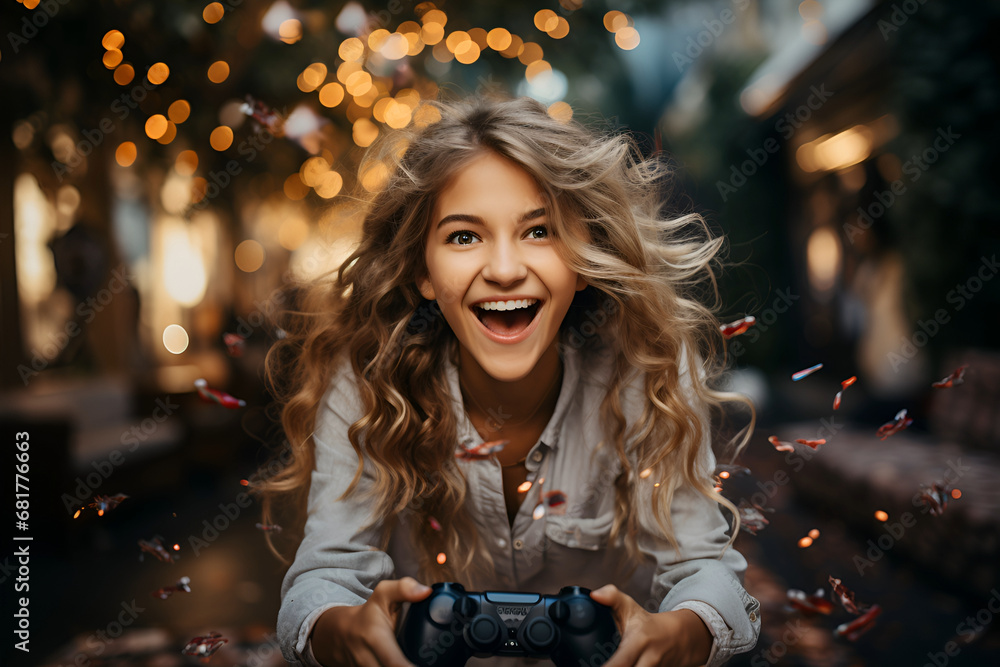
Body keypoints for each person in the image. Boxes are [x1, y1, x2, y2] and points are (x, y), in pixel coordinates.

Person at [263, 96, 760, 667]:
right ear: (423, 271)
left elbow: (707, 573)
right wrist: (339, 630)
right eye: (464, 237)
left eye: (539, 230)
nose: (503, 269)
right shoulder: (369, 385)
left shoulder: (646, 370)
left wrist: (683, 633)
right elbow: (321, 580)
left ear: (583, 256)